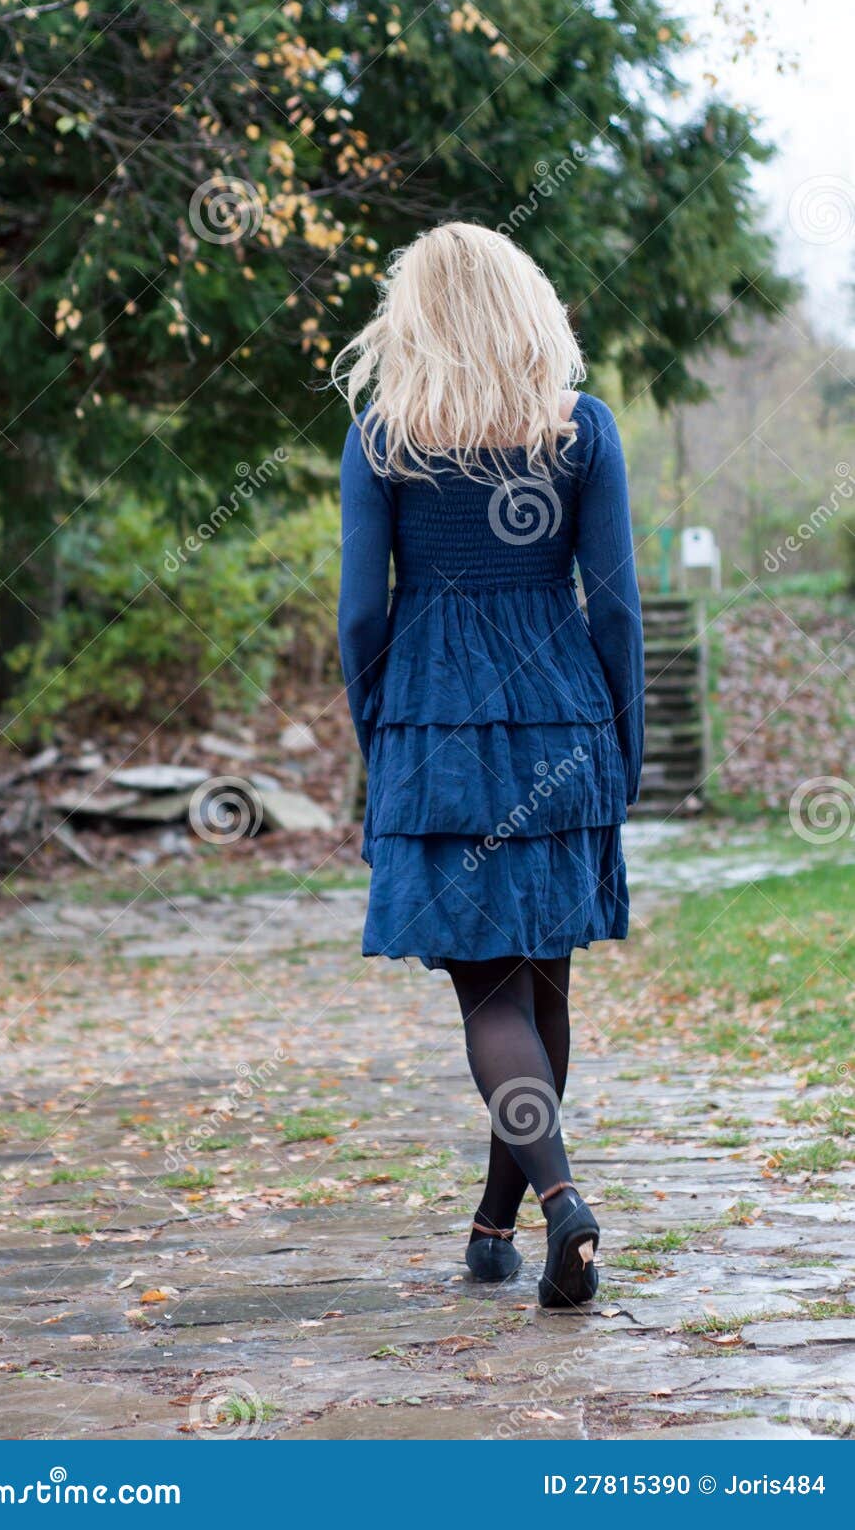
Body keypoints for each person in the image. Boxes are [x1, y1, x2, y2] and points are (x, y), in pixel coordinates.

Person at [334, 222, 644, 1307]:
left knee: (491, 999)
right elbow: (613, 609)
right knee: (538, 984)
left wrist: (385, 736)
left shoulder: (383, 439)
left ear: (411, 320)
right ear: (528, 310)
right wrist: (624, 741)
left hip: (437, 728)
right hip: (560, 725)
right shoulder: (581, 432)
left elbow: (360, 614)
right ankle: (492, 1225)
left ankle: (563, 1208)